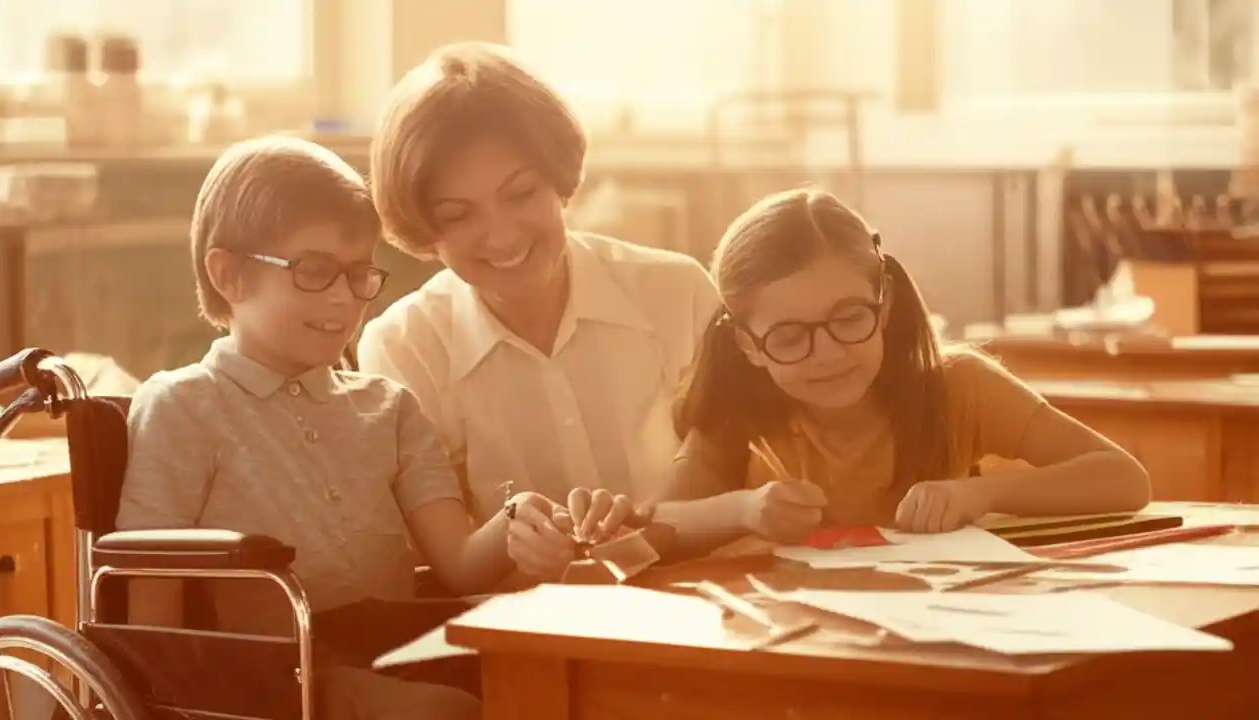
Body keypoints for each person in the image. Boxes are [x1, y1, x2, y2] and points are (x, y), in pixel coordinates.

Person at [115, 135, 628, 720]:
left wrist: (520, 518)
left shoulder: (389, 407)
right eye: (314, 272)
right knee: (449, 712)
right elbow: (148, 608)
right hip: (269, 673)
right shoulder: (183, 405)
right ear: (228, 276)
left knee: (567, 662)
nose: (344, 299)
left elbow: (458, 563)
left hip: (389, 644)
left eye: (359, 274)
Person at [651, 188, 1151, 552]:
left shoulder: (958, 384)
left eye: (849, 318)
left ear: (883, 305)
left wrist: (979, 494)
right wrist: (742, 511)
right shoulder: (741, 405)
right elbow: (656, 531)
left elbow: (1124, 480)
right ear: (748, 346)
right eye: (788, 337)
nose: (826, 353)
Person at [358, 42, 719, 523]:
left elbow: (729, 463)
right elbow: (441, 548)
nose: (502, 235)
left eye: (522, 194)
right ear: (425, 229)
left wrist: (642, 537)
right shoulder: (406, 347)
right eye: (458, 215)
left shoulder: (678, 292)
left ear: (558, 178)